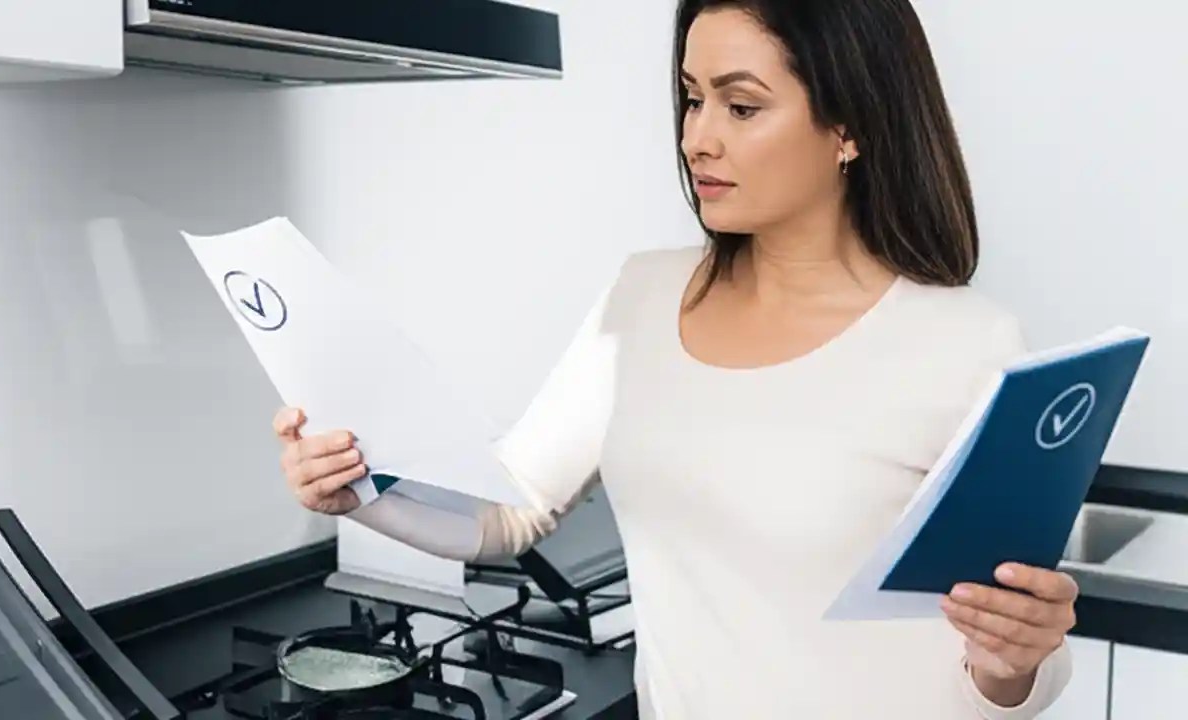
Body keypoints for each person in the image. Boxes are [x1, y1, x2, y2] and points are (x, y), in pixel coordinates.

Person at [273, 0, 1079, 716]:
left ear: (849, 127)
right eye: (693, 99)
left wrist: (1015, 663)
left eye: (741, 105)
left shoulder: (968, 343)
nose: (697, 137)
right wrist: (362, 488)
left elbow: (1008, 660)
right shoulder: (644, 296)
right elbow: (506, 511)